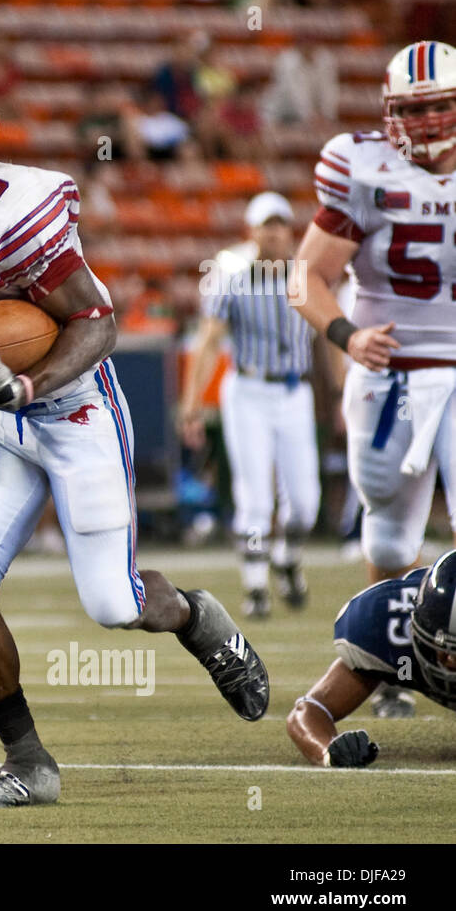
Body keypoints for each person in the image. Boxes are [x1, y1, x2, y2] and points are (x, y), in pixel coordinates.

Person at [0, 59, 270, 806]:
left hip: (73, 407)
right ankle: (28, 763)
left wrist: (27, 384)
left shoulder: (9, 213)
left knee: (113, 604)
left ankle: (194, 616)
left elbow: (97, 320)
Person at [289, 40, 456, 588]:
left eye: (438, 105)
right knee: (388, 537)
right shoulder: (365, 167)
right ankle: (385, 657)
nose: (424, 122)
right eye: (409, 109)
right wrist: (348, 336)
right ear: (389, 111)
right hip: (392, 372)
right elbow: (304, 276)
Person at [179, 191, 319, 619]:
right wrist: (192, 403)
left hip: (295, 391)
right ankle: (255, 586)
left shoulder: (308, 271)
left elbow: (327, 328)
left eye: (280, 224)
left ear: (290, 229)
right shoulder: (232, 272)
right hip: (249, 390)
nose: (274, 232)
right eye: (266, 224)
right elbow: (209, 340)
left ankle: (287, 556)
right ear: (252, 229)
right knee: (254, 494)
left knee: (305, 503)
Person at [286, 549, 456, 767]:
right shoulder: (388, 629)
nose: (450, 662)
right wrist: (329, 751)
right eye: (444, 651)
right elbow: (309, 710)